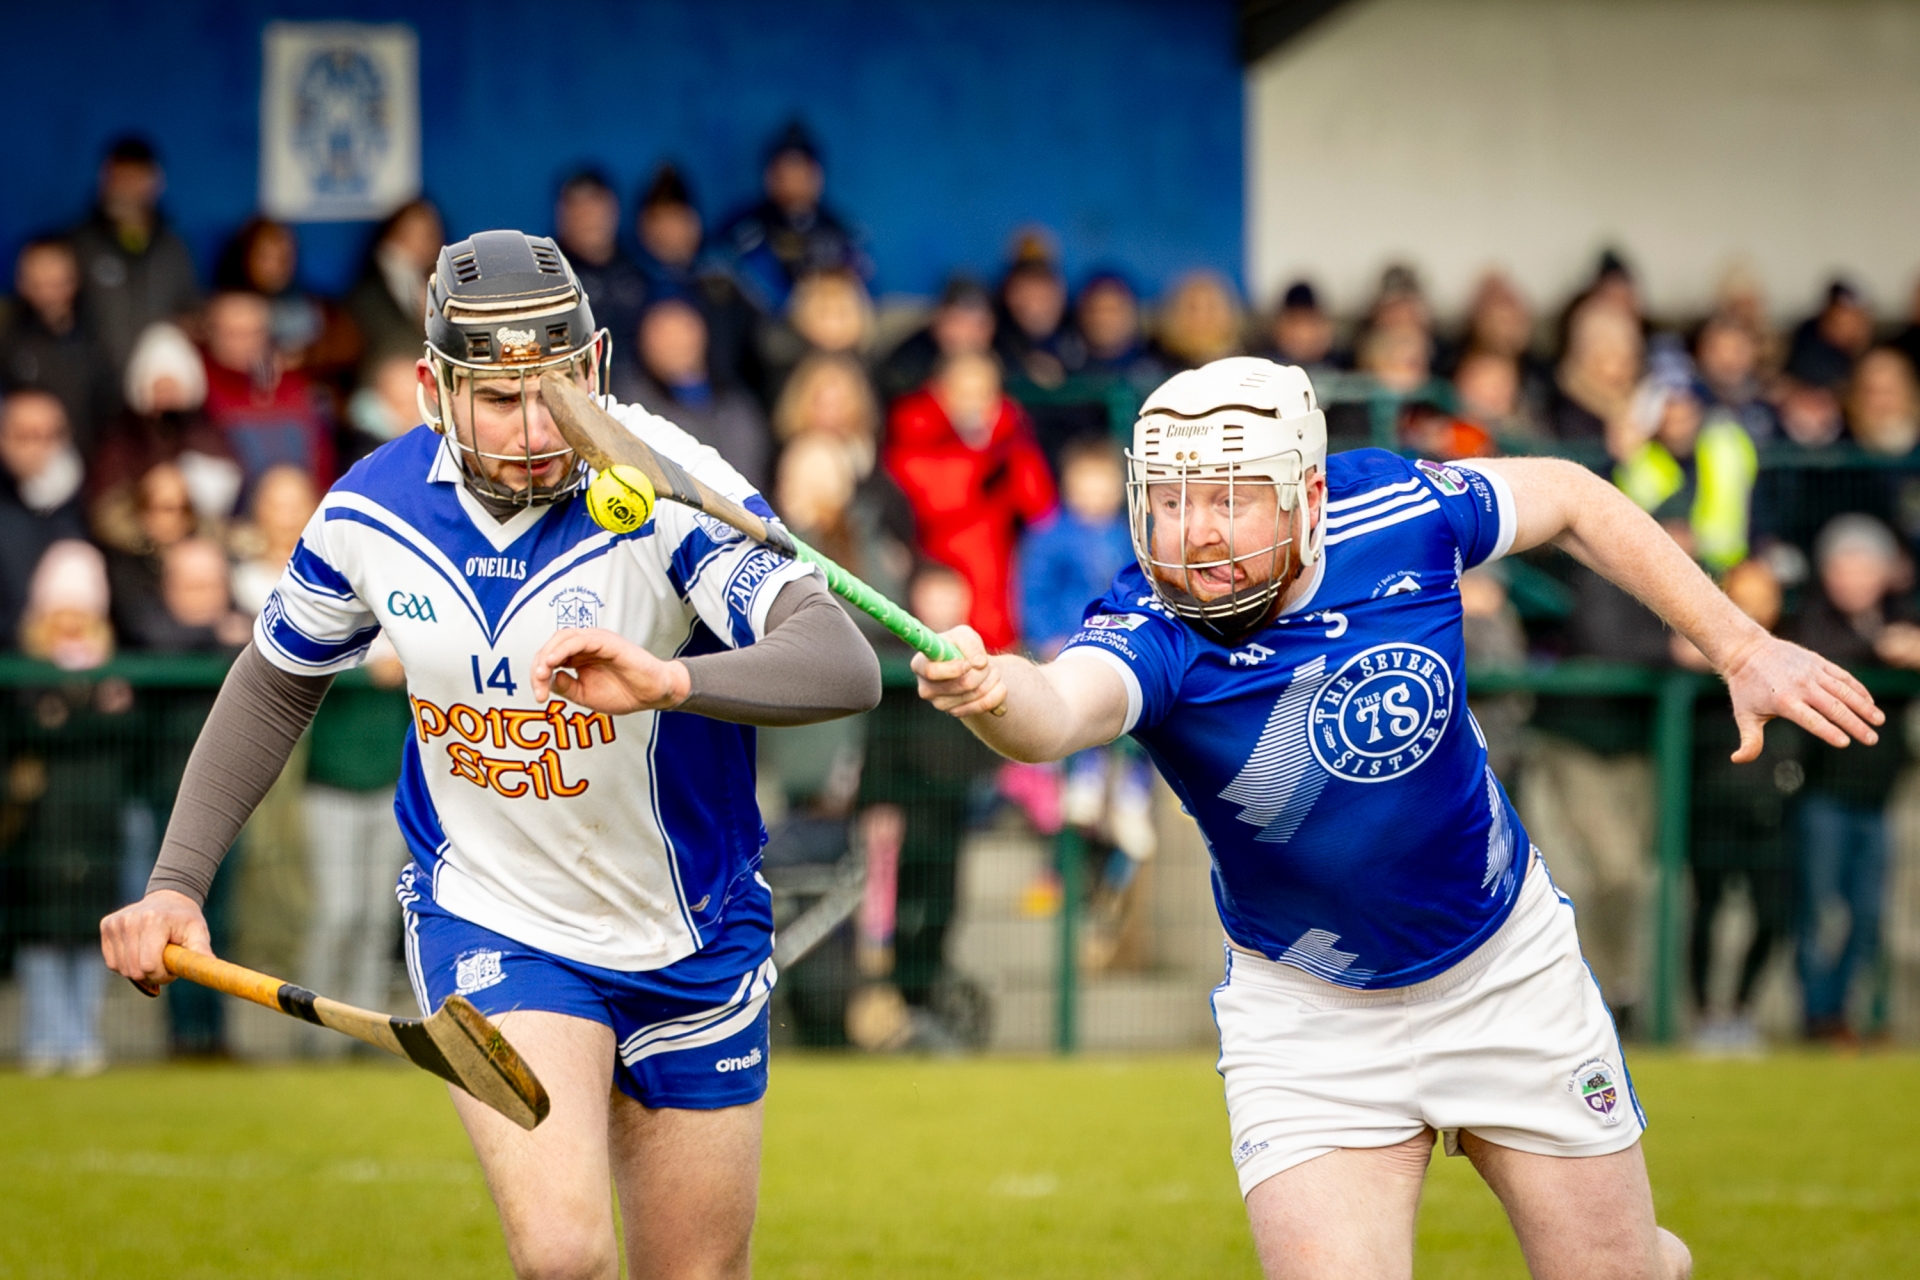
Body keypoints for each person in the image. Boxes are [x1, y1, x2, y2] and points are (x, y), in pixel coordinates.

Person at [912, 354, 1883, 1278]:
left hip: (1503, 968)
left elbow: (1575, 497)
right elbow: (1058, 710)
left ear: (1310, 493)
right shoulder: (1153, 628)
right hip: (1309, 1014)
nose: (1195, 531)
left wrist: (1740, 645)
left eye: (1229, 495)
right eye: (1170, 498)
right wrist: (996, 689)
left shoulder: (1397, 510)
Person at [101, 230, 881, 1279]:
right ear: (433, 386)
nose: (531, 429)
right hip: (500, 916)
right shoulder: (372, 512)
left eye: (552, 391)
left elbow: (840, 660)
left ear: (593, 370)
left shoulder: (669, 484)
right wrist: (174, 883)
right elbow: (279, 676)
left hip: (694, 927)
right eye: (495, 397)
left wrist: (671, 680)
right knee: (563, 1255)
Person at [1781, 514, 1920, 1042]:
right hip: (1823, 795)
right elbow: (1824, 662)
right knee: (1820, 912)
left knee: (1866, 916)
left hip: (1879, 797)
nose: (1852, 579)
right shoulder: (1812, 620)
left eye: (1864, 567)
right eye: (1842, 566)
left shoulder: (1899, 619)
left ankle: (1843, 1013)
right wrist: (1883, 651)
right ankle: (1817, 1018)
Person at [9, 540, 131, 1077]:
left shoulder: (114, 675)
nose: (70, 624)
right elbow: (33, 729)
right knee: (41, 927)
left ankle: (82, 1035)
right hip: (40, 824)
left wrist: (70, 716)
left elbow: (116, 732)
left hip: (100, 820)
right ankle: (45, 1036)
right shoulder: (25, 676)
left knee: (91, 927)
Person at [884, 351, 1056, 652]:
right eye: (963, 392)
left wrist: (1013, 449)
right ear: (939, 392)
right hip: (940, 581)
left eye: (984, 393)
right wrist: (982, 455)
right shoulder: (914, 431)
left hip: (997, 587)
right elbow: (935, 503)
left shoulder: (1009, 438)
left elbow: (1040, 507)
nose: (974, 403)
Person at [66, 136, 201, 375]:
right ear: (104, 179)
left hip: (157, 390)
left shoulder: (173, 248)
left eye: (136, 177)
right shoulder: (78, 245)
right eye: (119, 177)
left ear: (155, 182)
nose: (127, 187)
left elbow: (189, 314)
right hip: (94, 390)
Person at [615, 297, 772, 492]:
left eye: (683, 331)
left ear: (702, 334)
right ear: (644, 341)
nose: (674, 342)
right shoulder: (628, 405)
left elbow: (750, 470)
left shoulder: (735, 404)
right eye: (663, 334)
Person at [718, 122, 872, 313]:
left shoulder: (843, 230)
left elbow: (867, 293)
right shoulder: (743, 228)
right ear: (769, 176)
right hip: (761, 331)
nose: (793, 180)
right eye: (784, 172)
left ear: (817, 176)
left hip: (829, 329)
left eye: (801, 171)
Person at [633, 164, 759, 392]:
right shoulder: (628, 284)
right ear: (643, 225)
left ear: (695, 222)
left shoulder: (724, 281)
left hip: (722, 404)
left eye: (678, 218)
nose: (669, 230)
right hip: (647, 401)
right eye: (659, 219)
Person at [201, 290, 335, 491]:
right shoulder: (197, 385)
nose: (243, 344)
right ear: (212, 333)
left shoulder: (294, 385)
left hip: (298, 505)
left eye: (254, 333)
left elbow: (322, 456)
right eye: (232, 333)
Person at [0, 237, 118, 451]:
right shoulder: (8, 340)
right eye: (39, 285)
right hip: (25, 467)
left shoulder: (95, 338)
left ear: (74, 281)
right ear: (22, 284)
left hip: (88, 464)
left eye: (57, 284)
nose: (49, 295)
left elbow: (110, 411)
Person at [0, 389, 89, 641]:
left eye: (50, 435)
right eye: (26, 435)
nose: (38, 448)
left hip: (64, 665)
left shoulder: (81, 503)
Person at [553, 170, 648, 388]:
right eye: (578, 211)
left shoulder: (641, 269)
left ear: (613, 209)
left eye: (595, 208)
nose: (589, 219)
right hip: (575, 387)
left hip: (644, 394)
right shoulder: (549, 278)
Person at [343, 198, 444, 365]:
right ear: (391, 235)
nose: (423, 243)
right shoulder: (368, 294)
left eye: (429, 234)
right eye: (410, 233)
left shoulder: (441, 284)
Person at [876, 275, 997, 405]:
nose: (966, 332)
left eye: (978, 324)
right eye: (957, 321)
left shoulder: (1000, 356)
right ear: (938, 320)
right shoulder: (906, 366)